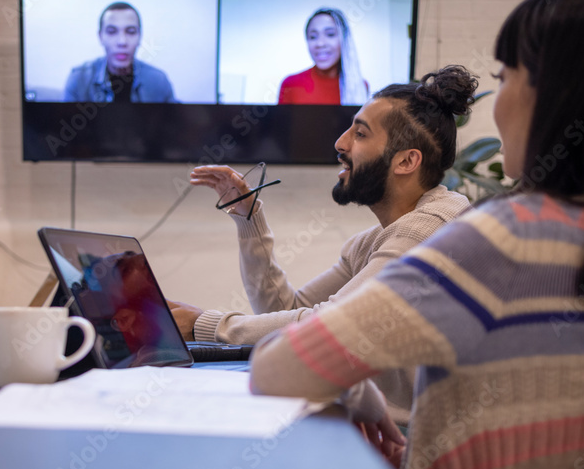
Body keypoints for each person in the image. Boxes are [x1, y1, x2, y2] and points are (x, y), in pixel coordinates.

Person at [249, 0, 584, 469]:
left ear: (557, 95)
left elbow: (278, 371)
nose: (496, 104)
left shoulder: (507, 238)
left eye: (506, 75)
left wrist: (360, 392)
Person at [170, 65, 476, 424]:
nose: (341, 143)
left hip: (413, 443)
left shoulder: (435, 225)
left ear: (407, 161)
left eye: (360, 134)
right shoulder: (372, 242)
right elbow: (285, 308)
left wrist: (202, 324)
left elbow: (328, 327)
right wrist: (248, 217)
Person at [64, 2, 176, 103]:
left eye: (131, 32)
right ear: (100, 36)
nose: (122, 42)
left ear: (140, 36)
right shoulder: (79, 78)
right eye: (112, 32)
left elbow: (174, 123)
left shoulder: (159, 81)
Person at [278, 8, 369, 106]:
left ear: (344, 39)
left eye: (330, 34)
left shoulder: (359, 86)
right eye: (313, 37)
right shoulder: (291, 85)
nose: (320, 43)